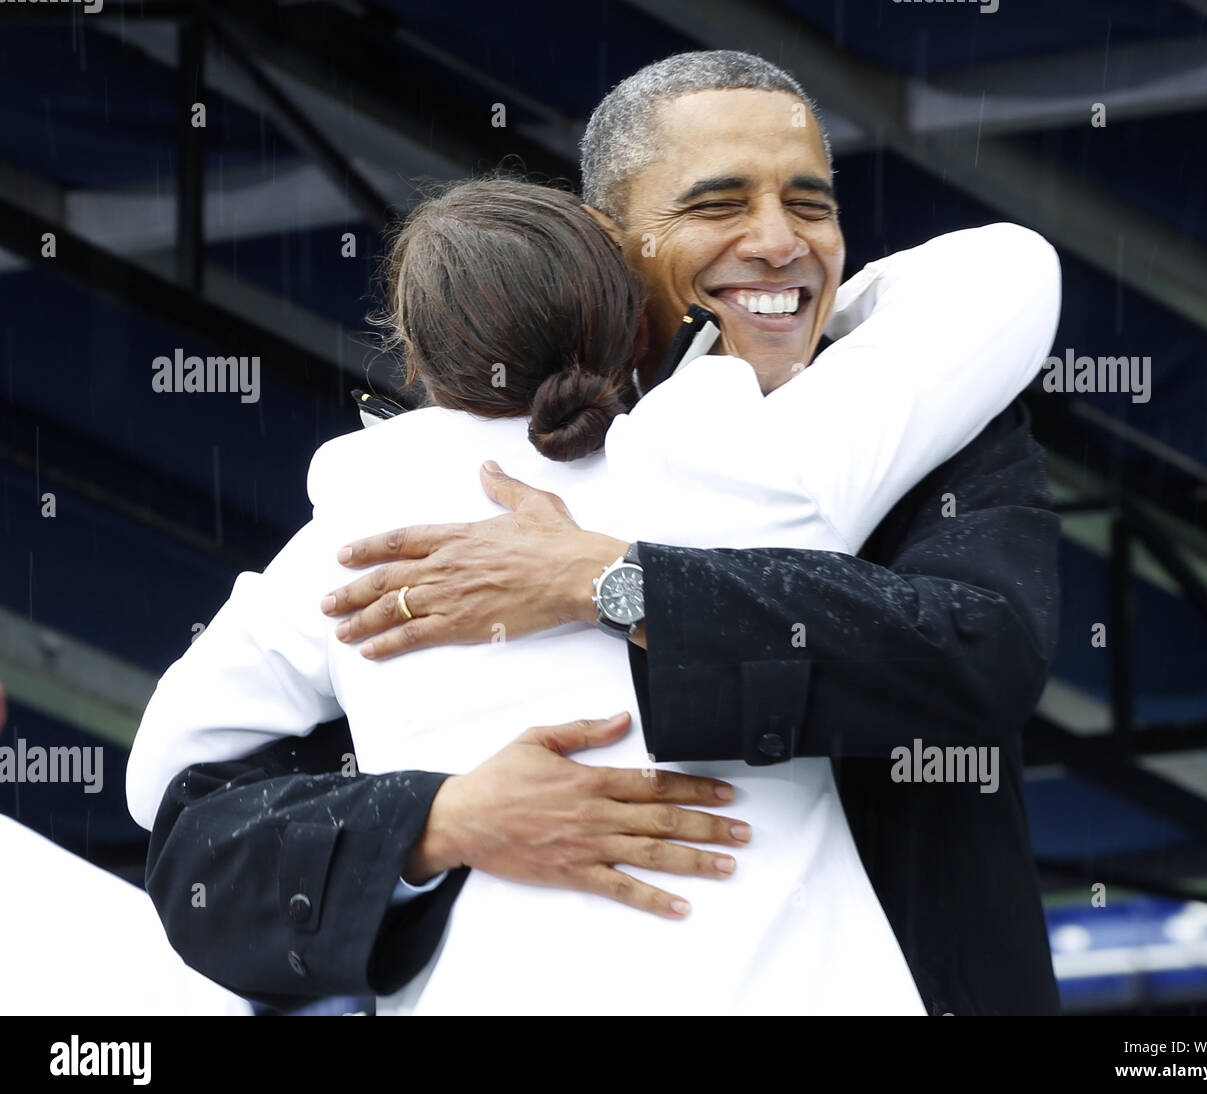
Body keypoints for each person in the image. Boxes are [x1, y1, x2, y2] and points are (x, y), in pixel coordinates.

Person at [134, 51, 1064, 1015]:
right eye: (718, 205)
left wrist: (615, 582)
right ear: (606, 243)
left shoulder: (916, 423)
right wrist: (434, 821)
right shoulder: (402, 514)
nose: (780, 242)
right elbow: (201, 836)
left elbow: (983, 651)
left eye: (810, 202)